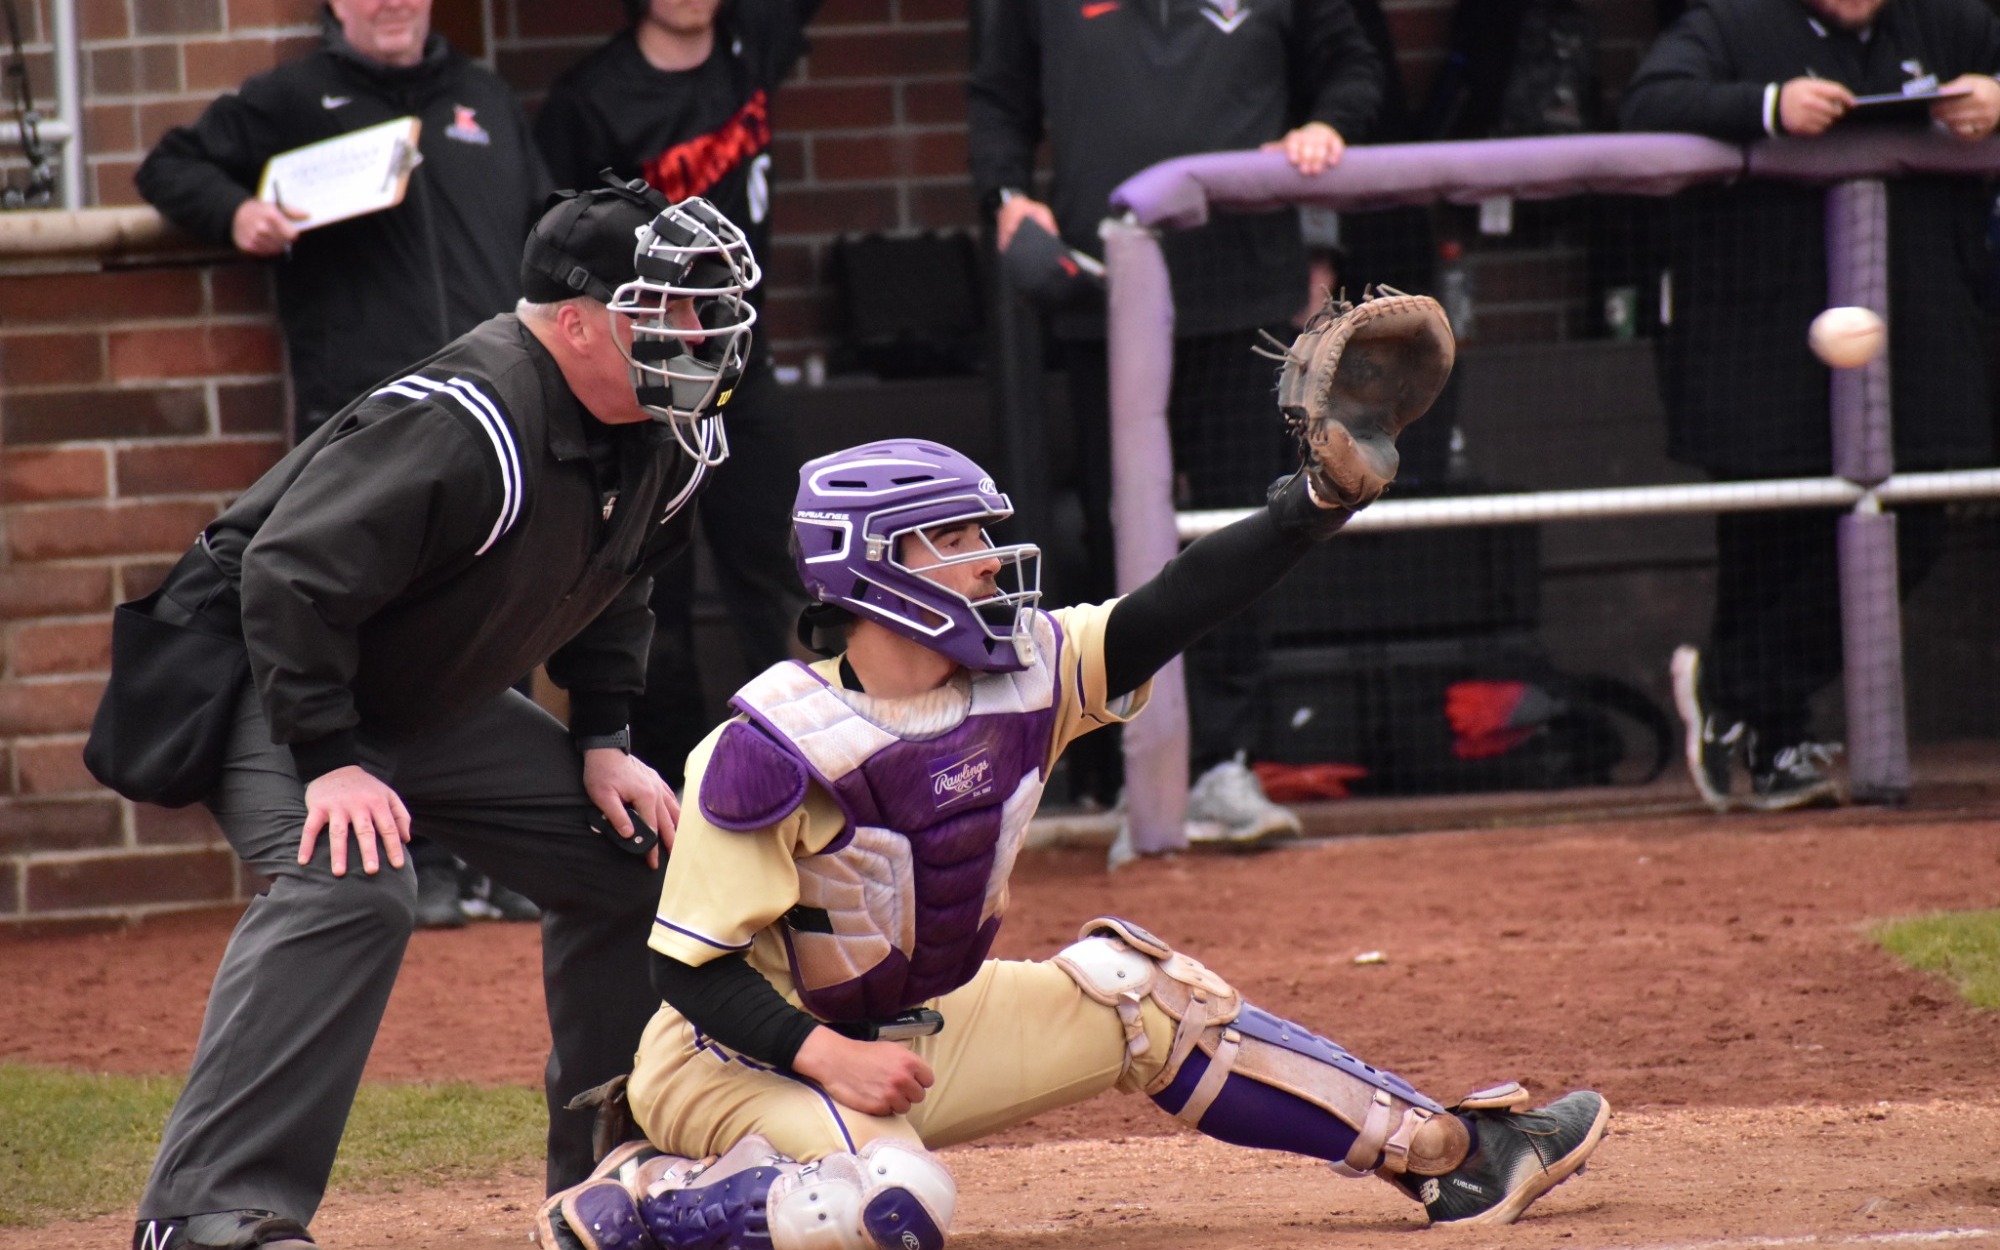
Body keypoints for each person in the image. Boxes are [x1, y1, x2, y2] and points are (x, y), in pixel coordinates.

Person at [532, 323, 1611, 1248]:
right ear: (871, 570)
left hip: (922, 1027)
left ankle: (1452, 1155)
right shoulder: (773, 741)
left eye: (983, 534)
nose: (990, 561)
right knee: (895, 1197)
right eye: (955, 540)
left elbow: (1168, 607)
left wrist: (1311, 502)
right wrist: (829, 1061)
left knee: (1141, 994)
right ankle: (640, 1198)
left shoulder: (1026, 669)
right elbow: (690, 968)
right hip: (734, 1060)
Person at [127, 179, 761, 1250]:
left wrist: (602, 735)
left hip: (414, 695)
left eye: (702, 310)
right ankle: (206, 1212)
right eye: (668, 310)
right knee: (356, 883)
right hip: (265, 678)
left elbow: (623, 577)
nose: (697, 335)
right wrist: (328, 758)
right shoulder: (470, 419)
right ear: (575, 322)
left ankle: (610, 1177)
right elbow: (286, 574)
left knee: (637, 859)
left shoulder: (660, 429)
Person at [135, 0, 555, 922]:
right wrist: (238, 212)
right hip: (369, 434)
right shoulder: (292, 97)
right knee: (381, 634)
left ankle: (497, 862)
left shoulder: (482, 98)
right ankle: (417, 855)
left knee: (497, 618)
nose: (391, 1)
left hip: (505, 418)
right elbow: (168, 163)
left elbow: (543, 237)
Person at [967, 0, 1386, 848]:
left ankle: (1224, 765)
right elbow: (999, 97)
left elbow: (1356, 65)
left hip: (1247, 295)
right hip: (1104, 292)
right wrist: (1009, 198)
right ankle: (1134, 772)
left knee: (1252, 521)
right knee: (1125, 534)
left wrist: (1324, 126)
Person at [1619, 0, 2000, 811]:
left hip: (1920, 324)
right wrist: (1768, 105)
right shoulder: (1730, 24)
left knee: (1915, 523)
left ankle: (1730, 687)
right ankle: (1776, 739)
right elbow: (1650, 101)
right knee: (1770, 545)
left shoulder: (1951, 24)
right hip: (1764, 329)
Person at [534, 0, 818, 795]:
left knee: (781, 571)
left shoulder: (752, 41)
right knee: (657, 594)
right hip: (648, 382)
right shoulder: (589, 101)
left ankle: (808, 773)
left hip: (743, 369)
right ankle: (680, 796)